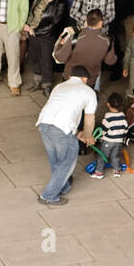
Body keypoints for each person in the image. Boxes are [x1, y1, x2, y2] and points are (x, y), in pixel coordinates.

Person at [35, 66, 98, 207]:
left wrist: (76, 133)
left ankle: (63, 186)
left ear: (71, 77)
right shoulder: (88, 91)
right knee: (67, 162)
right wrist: (88, 136)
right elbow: (89, 118)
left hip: (44, 124)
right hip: (62, 129)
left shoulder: (59, 86)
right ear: (85, 79)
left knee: (56, 160)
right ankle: (48, 195)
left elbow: (61, 109)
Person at [22, 0, 68, 93]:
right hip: (33, 33)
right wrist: (28, 25)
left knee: (46, 60)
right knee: (34, 57)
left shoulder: (60, 3)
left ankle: (47, 85)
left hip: (47, 37)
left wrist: (35, 31)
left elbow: (54, 24)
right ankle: (37, 81)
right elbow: (32, 11)